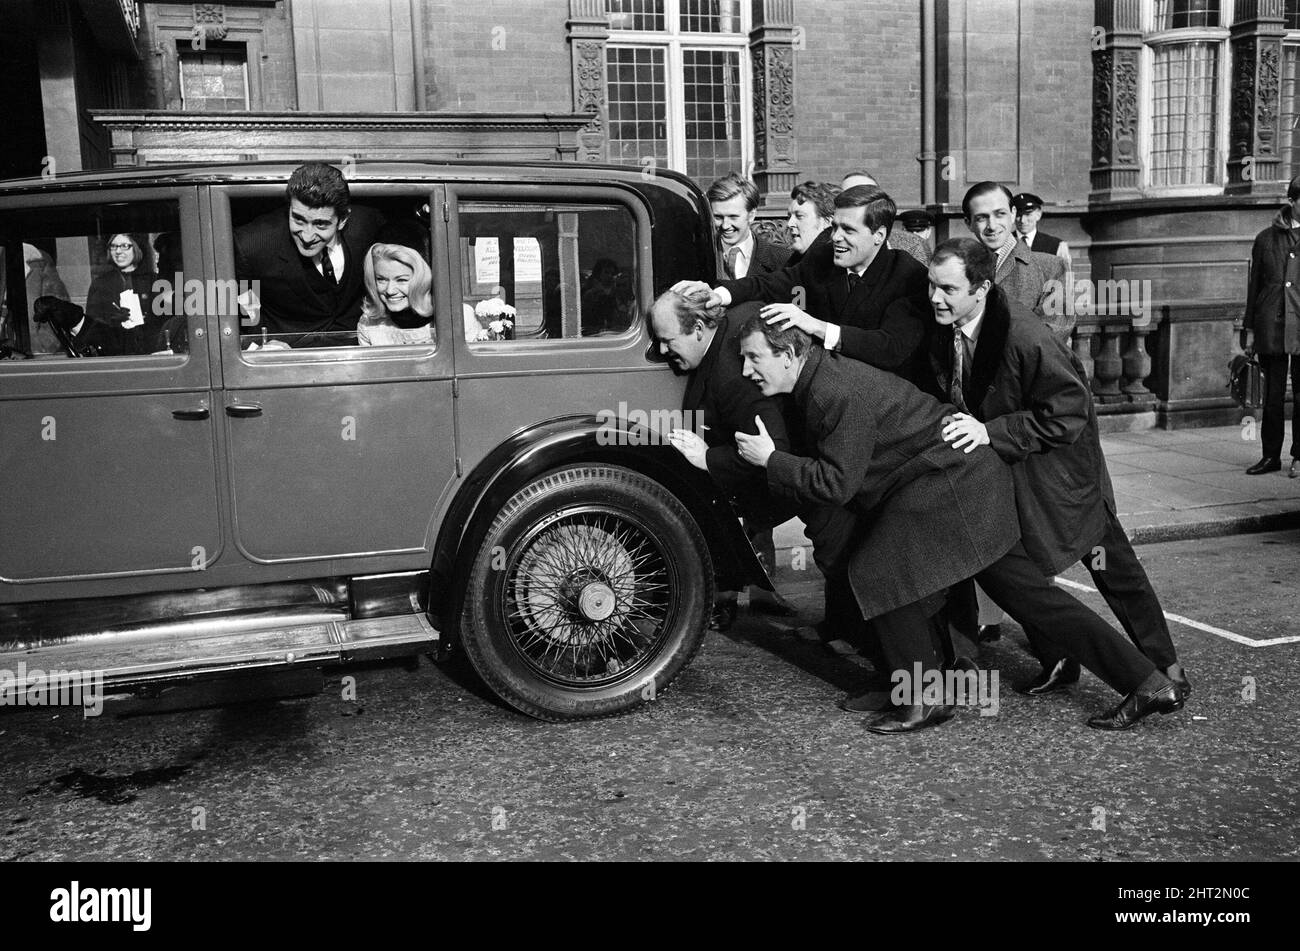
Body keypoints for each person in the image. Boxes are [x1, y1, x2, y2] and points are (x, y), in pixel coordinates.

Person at [733, 318, 1184, 734]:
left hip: (955, 482)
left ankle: (924, 698)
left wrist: (771, 460)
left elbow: (835, 484)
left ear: (789, 355)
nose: (748, 369)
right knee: (1030, 597)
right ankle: (1147, 683)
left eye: (755, 357)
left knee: (881, 571)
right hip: (955, 478)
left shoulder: (832, 391)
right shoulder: (820, 382)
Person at [919, 238, 1192, 702]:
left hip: (1066, 476)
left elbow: (1068, 413)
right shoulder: (953, 324)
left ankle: (1168, 669)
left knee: (1114, 569)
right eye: (931, 285)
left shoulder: (1025, 336)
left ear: (982, 288)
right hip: (1020, 470)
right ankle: (1060, 660)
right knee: (1025, 573)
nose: (934, 298)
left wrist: (992, 432)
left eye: (946, 288)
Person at [652, 289, 854, 631]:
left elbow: (770, 449)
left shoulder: (733, 378)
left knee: (839, 554)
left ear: (699, 329)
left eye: (668, 340)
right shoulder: (726, 328)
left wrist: (708, 458)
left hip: (815, 475)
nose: (661, 351)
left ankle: (855, 636)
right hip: (812, 472)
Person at [680, 185, 930, 380]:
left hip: (883, 403)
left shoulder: (909, 276)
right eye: (835, 227)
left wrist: (816, 326)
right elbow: (776, 282)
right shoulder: (824, 256)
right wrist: (719, 293)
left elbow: (889, 348)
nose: (837, 238)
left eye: (848, 230)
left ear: (879, 235)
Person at [234, 161, 384, 348]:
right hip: (290, 360)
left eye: (321, 224)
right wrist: (258, 345)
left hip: (358, 351)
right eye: (298, 219)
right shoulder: (251, 246)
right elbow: (242, 316)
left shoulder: (368, 225)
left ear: (343, 220)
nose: (306, 236)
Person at [1242, 174, 1300, 478]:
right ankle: (1270, 456)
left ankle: (1299, 455)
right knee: (1273, 397)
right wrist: (1249, 329)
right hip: (1271, 327)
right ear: (1292, 201)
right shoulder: (1265, 239)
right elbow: (1254, 288)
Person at [963, 181, 1069, 336]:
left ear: (1012, 214)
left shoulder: (1052, 268)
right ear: (968, 223)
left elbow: (1052, 336)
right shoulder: (960, 267)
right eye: (981, 218)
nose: (992, 225)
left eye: (1000, 214)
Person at [84, 233, 165, 354]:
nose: (118, 251)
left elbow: (166, 320)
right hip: (116, 352)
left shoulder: (155, 281)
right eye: (113, 246)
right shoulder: (100, 284)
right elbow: (91, 324)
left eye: (124, 246)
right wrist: (112, 320)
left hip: (151, 350)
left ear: (136, 248)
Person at [707, 172, 789, 280]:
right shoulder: (697, 256)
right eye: (718, 217)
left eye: (733, 217)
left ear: (751, 215)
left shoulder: (783, 259)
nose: (725, 225)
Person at [842, 170, 930, 265]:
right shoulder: (827, 248)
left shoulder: (912, 245)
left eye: (867, 196)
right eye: (848, 198)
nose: (858, 204)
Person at [357, 243, 435, 346]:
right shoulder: (368, 323)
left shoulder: (457, 316)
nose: (390, 290)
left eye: (401, 280)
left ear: (421, 281)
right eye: (381, 280)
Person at [783, 181, 839, 265]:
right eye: (789, 217)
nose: (789, 224)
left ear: (828, 222)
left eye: (799, 216)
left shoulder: (830, 268)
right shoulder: (795, 261)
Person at [1011, 192, 1072, 267]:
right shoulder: (1003, 243)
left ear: (1038, 215)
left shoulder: (1056, 246)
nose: (1022, 220)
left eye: (1028, 215)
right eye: (1018, 215)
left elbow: (1065, 276)